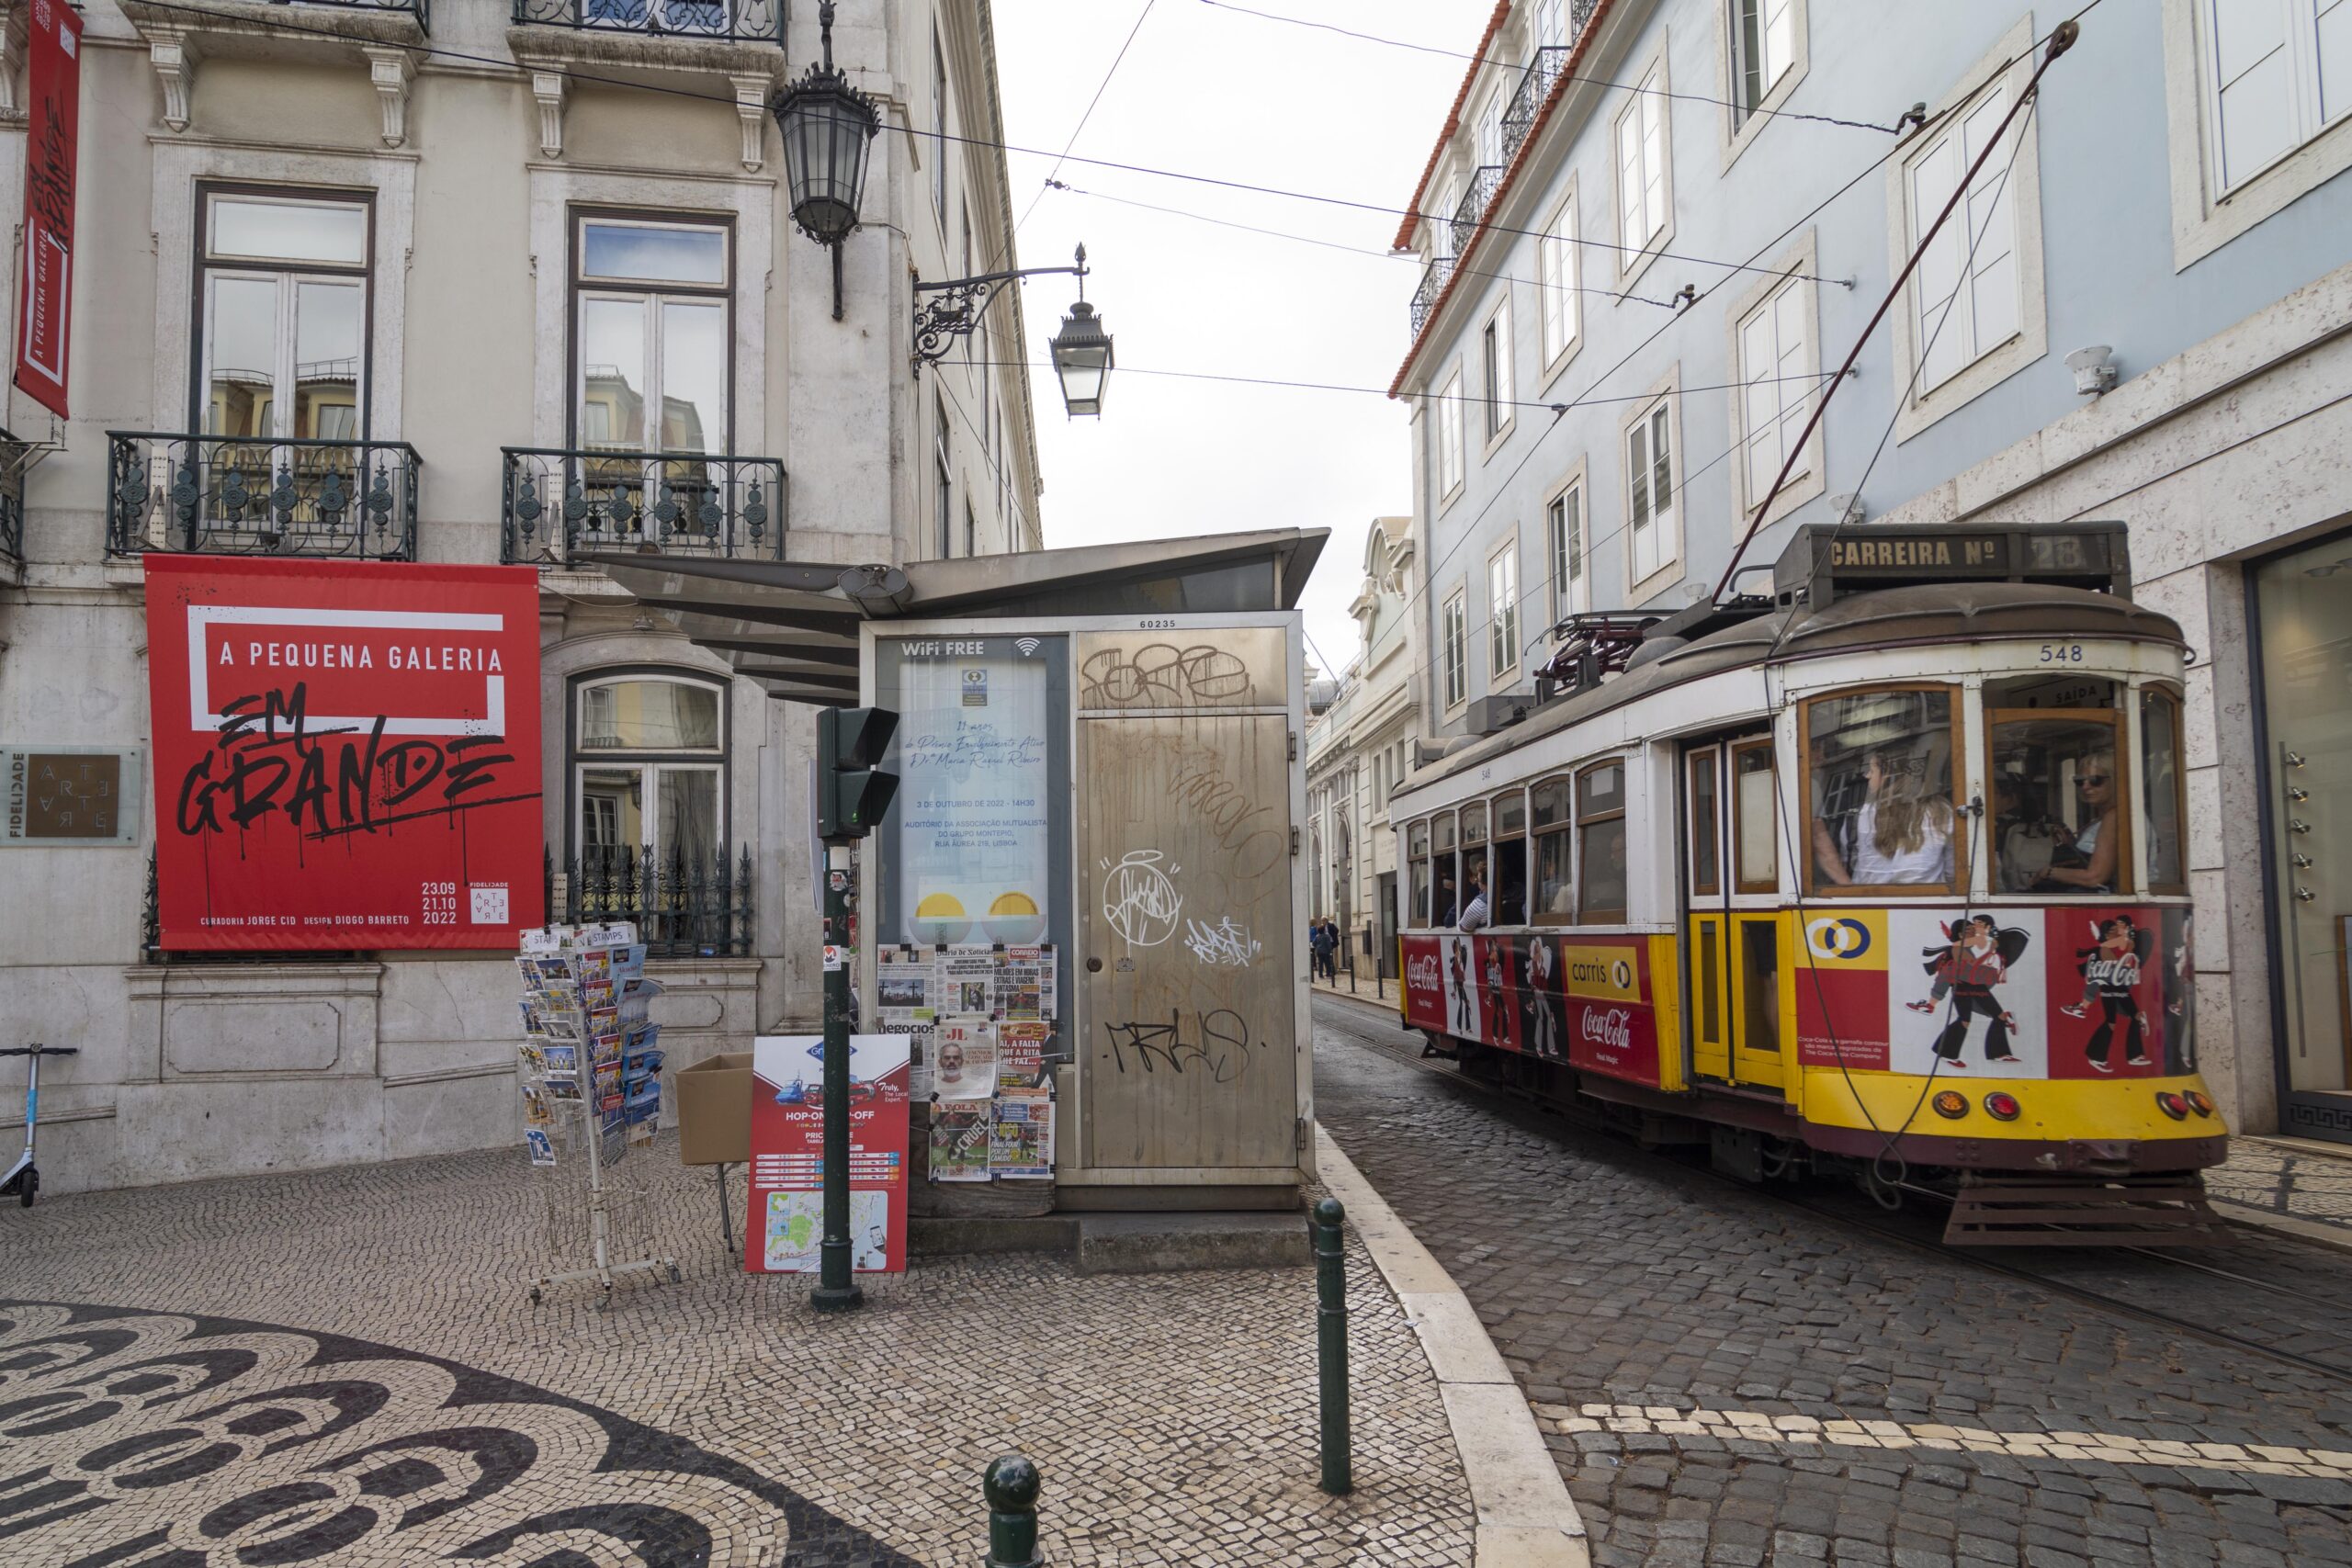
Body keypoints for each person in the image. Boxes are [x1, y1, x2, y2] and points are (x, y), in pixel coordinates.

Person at [1813, 746, 1956, 887]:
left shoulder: (1861, 814)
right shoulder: (1940, 811)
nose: (1867, 776)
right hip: (1927, 898)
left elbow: (1849, 861)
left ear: (1887, 775)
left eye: (1872, 771)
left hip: (1868, 898)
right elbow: (1953, 871)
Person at [1907, 914, 2029, 1067]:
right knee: (1966, 1019)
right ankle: (1950, 1053)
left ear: (1988, 927)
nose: (1975, 927)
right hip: (1966, 983)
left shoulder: (1986, 941)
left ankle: (1999, 1044)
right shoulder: (1970, 943)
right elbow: (1960, 949)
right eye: (1973, 925)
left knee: (1986, 1016)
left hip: (1975, 983)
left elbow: (1975, 956)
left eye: (1978, 924)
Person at [2063, 915, 2153, 1070]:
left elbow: (2118, 953)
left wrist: (2101, 938)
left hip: (2118, 984)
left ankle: (2130, 1055)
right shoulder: (2117, 943)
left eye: (2120, 926)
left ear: (2128, 927)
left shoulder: (2128, 941)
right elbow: (2106, 948)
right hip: (2109, 986)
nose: (2118, 929)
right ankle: (2099, 1056)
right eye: (2116, 927)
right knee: (2114, 1021)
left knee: (2129, 1017)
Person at [2036, 750, 2120, 893]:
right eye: (2080, 781)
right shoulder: (2103, 818)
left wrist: (2049, 872)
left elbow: (2095, 877)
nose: (2085, 787)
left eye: (2095, 780)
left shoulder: (2114, 817)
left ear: (2114, 780)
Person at [1456, 865, 1490, 933]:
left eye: (1478, 880)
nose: (1476, 882)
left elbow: (1464, 928)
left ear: (1484, 883)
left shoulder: (1480, 904)